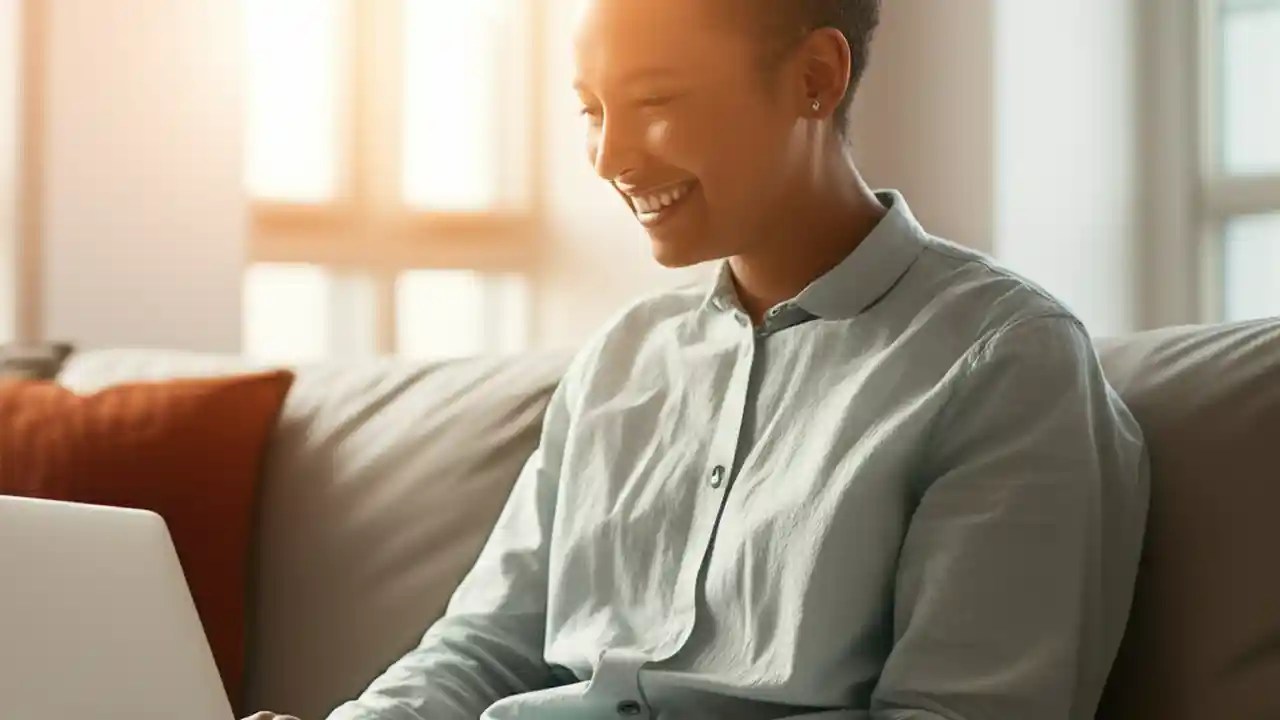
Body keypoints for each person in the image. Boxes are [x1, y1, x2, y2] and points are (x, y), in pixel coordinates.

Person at [249, 0, 1148, 718]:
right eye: (592, 111)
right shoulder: (622, 360)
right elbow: (484, 646)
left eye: (655, 103)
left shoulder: (1003, 362)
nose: (609, 158)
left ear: (814, 78)